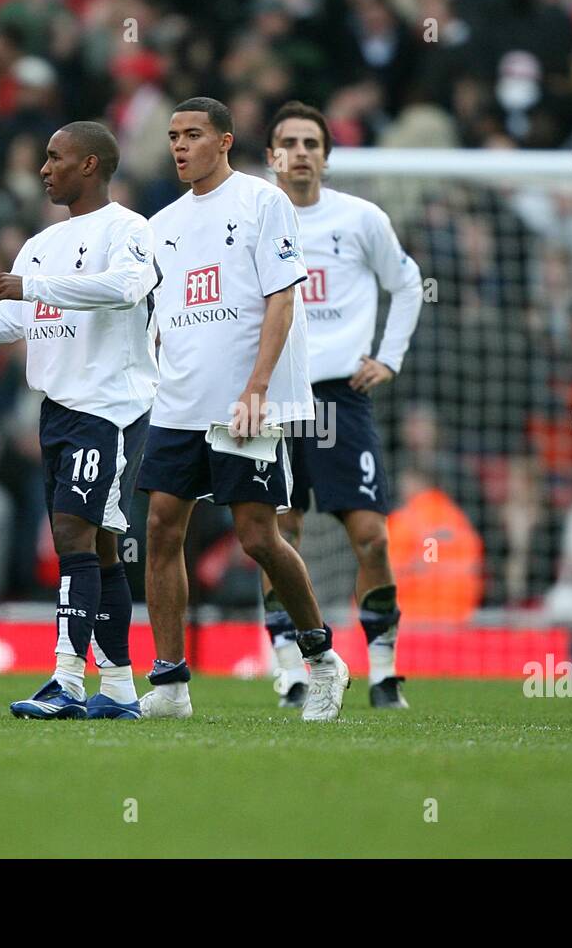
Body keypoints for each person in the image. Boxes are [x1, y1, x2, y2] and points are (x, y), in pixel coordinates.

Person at [0, 122, 158, 721]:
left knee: (71, 535)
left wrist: (30, 285)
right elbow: (7, 323)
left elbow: (126, 289)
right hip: (58, 409)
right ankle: (118, 691)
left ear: (90, 165)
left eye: (55, 157)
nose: (43, 167)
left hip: (108, 408)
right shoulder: (39, 243)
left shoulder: (128, 229)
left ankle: (66, 681)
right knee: (102, 548)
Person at [139, 96, 349, 721]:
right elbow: (165, 314)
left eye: (193, 135)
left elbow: (281, 301)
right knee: (159, 529)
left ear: (224, 142)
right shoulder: (161, 225)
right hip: (178, 404)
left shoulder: (264, 202)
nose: (180, 146)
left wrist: (258, 389)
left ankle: (322, 660)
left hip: (243, 404)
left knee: (258, 537)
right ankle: (171, 683)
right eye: (174, 136)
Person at [261, 100, 422, 709]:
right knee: (275, 531)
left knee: (371, 537)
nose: (300, 152)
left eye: (311, 143)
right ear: (271, 156)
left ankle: (383, 672)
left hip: (337, 397)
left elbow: (406, 283)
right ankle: (291, 668)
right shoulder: (251, 219)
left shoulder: (361, 219)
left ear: (326, 156)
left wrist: (389, 357)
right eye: (289, 143)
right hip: (273, 394)